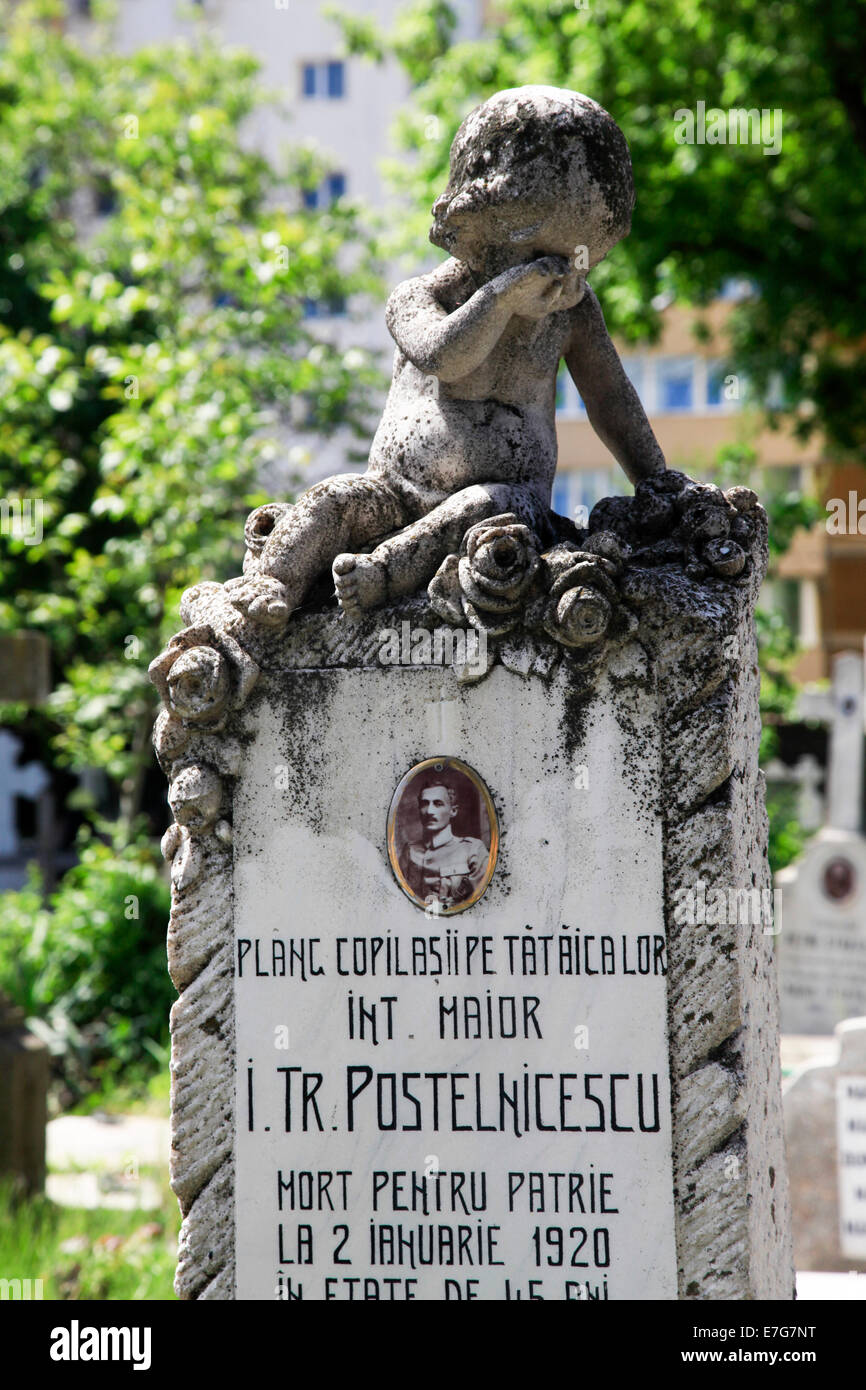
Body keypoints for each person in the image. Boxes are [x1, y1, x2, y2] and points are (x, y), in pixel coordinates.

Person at [248, 86, 666, 621]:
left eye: (580, 259)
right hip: (394, 494)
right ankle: (270, 586)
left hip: (508, 507)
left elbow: (610, 399)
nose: (560, 275)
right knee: (329, 499)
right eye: (540, 255)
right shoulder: (417, 298)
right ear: (476, 226)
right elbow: (447, 358)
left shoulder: (571, 312)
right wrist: (501, 297)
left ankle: (385, 572)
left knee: (486, 504)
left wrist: (655, 479)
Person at [398, 775, 488, 909]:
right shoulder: (409, 851)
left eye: (438, 804)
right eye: (424, 804)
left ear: (453, 811)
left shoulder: (473, 850)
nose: (429, 811)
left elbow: (482, 905)